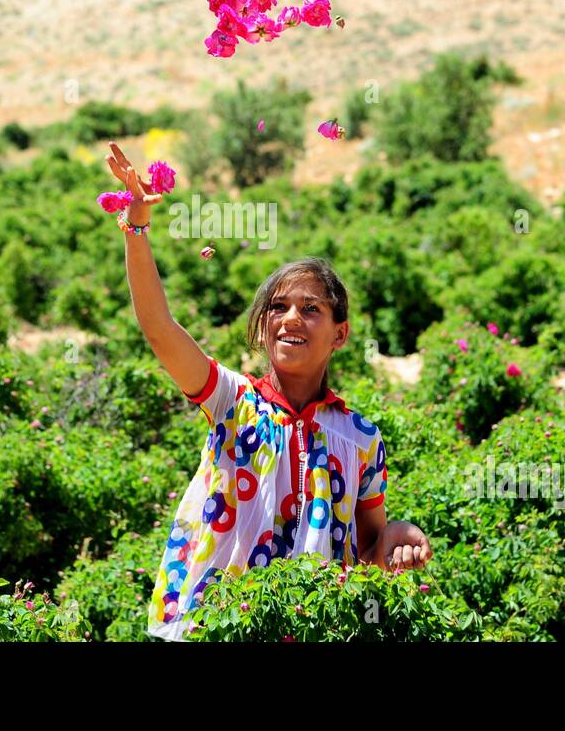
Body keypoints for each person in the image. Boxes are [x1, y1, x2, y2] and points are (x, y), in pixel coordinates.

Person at [103, 142, 433, 641]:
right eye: (277, 307)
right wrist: (137, 226)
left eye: (311, 309)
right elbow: (158, 327)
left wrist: (399, 537)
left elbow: (367, 556)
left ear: (340, 335)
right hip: (209, 628)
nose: (290, 319)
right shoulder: (230, 402)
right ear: (261, 328)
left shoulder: (360, 439)